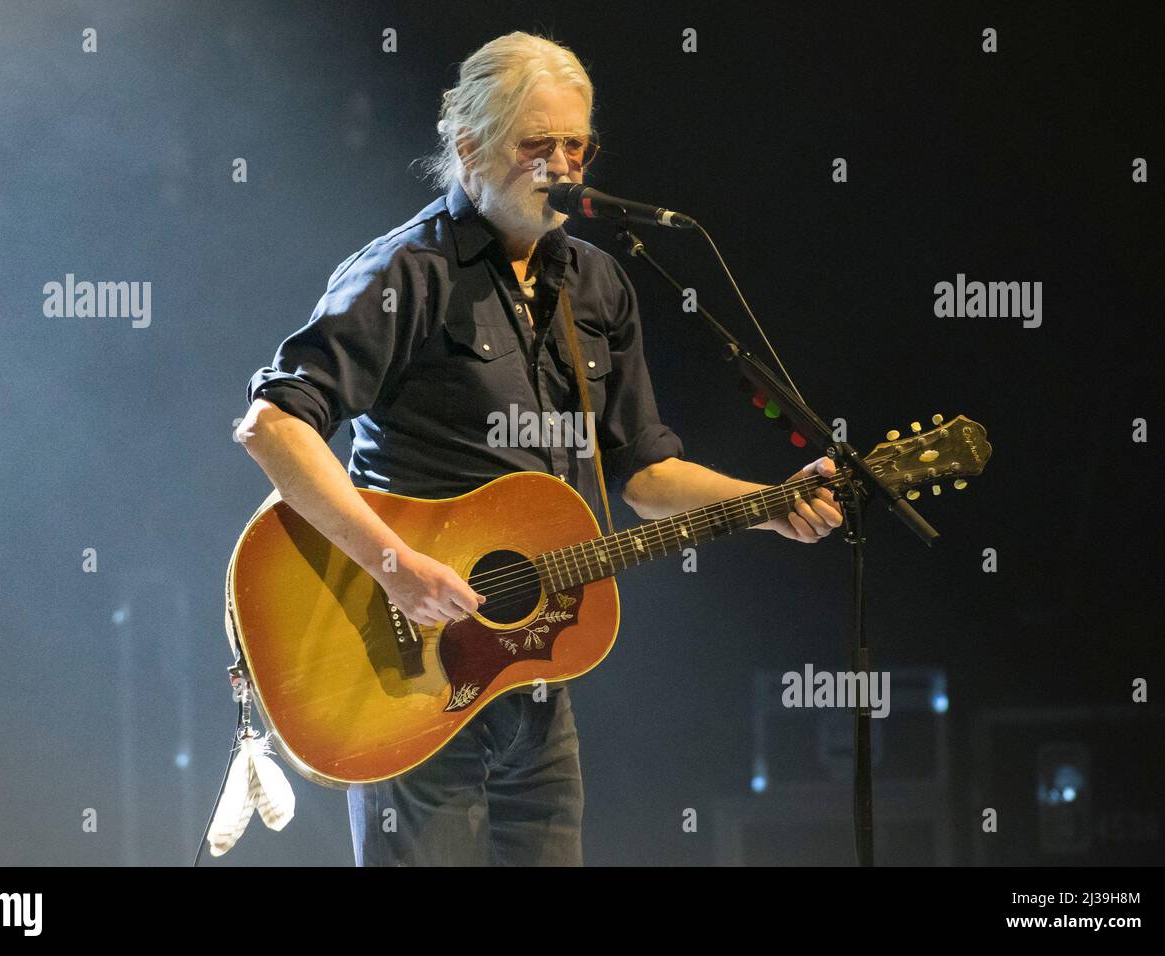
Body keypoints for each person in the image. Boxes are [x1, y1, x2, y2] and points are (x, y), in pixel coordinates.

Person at [236, 31, 842, 866]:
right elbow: (273, 425)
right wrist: (394, 566)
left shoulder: (596, 284)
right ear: (468, 147)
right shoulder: (405, 276)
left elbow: (645, 472)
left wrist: (768, 507)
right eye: (537, 145)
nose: (563, 165)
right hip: (406, 680)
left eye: (576, 144)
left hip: (531, 677)